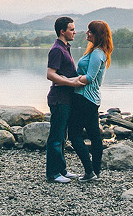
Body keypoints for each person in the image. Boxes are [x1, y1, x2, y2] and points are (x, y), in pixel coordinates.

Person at [68, 19, 112, 182]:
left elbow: (90, 78)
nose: (87, 33)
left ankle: (89, 171)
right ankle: (95, 172)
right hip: (91, 99)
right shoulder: (98, 52)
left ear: (97, 35)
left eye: (90, 31)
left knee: (74, 134)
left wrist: (68, 80)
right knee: (94, 135)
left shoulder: (97, 53)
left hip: (84, 98)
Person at [45, 16, 83, 183]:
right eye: (71, 29)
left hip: (66, 98)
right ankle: (53, 174)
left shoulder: (65, 48)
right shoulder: (57, 50)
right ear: (62, 31)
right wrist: (71, 82)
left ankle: (62, 170)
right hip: (59, 99)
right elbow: (50, 74)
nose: (74, 32)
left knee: (62, 136)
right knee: (56, 137)